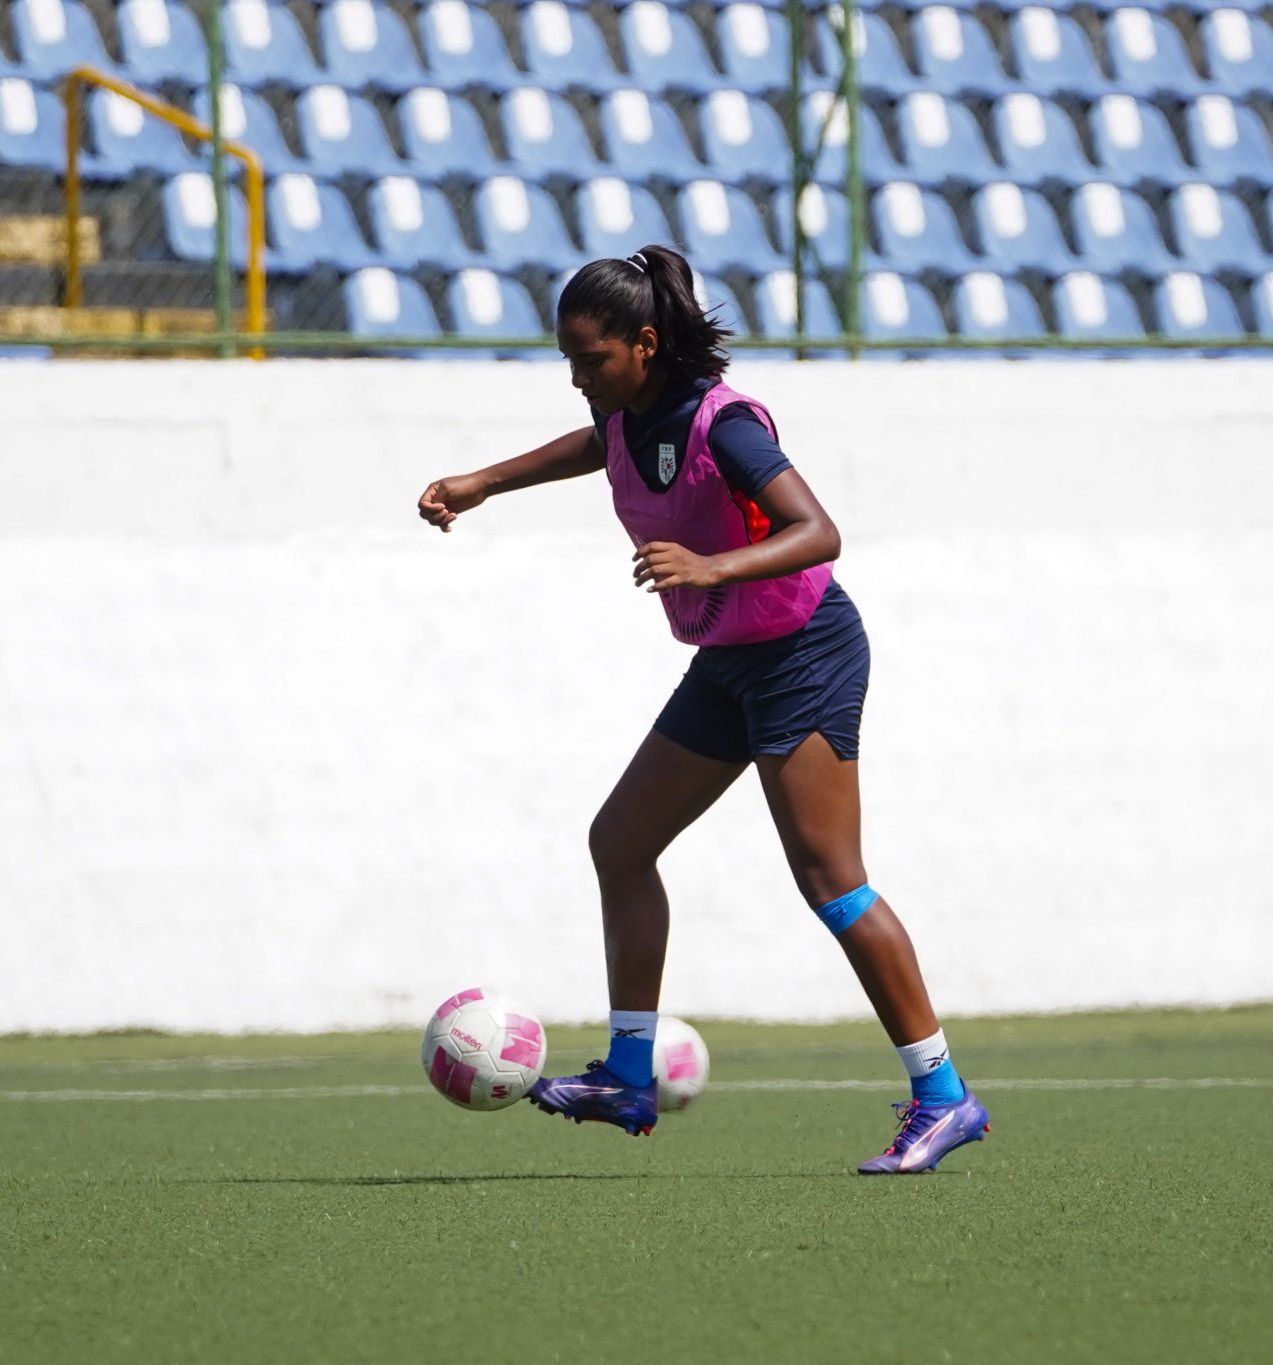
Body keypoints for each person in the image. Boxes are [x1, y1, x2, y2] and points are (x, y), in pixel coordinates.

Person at [415, 245, 990, 1175]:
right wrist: (483, 482)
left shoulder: (727, 427)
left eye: (591, 358)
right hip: (731, 659)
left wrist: (710, 563)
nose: (577, 376)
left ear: (646, 343)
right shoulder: (623, 414)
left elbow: (818, 531)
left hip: (804, 653)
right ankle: (629, 1076)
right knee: (621, 841)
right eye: (566, 359)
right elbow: (595, 445)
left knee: (830, 880)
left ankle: (943, 1096)